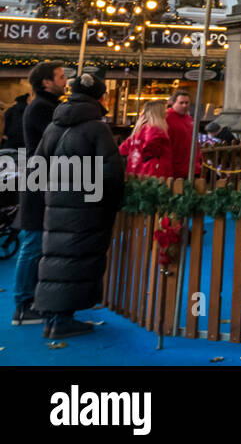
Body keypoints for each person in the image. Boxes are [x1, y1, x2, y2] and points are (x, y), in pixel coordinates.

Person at [33, 71, 125, 338]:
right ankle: (62, 319)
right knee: (78, 258)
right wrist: (112, 203)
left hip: (57, 203)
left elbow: (38, 168)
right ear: (99, 97)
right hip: (87, 206)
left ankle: (52, 317)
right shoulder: (97, 128)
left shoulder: (54, 126)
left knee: (56, 256)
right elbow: (111, 174)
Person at [12, 61, 65, 326]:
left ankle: (29, 300)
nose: (65, 80)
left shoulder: (45, 106)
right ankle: (22, 304)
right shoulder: (43, 109)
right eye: (60, 76)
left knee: (36, 242)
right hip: (39, 179)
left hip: (40, 177)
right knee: (32, 242)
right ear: (46, 82)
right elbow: (55, 144)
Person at [118, 100, 172, 178]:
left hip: (134, 171)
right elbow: (151, 147)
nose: (167, 112)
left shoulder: (138, 131)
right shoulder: (155, 130)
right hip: (152, 172)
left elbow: (122, 150)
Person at [165, 88, 199, 179]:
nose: (184, 105)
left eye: (187, 103)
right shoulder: (166, 118)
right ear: (173, 103)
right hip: (175, 167)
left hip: (190, 166)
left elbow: (195, 141)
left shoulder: (189, 119)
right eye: (181, 103)